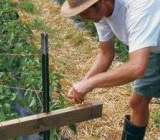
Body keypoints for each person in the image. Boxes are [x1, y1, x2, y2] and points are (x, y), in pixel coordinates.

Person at [60, 0, 160, 139]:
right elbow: (106, 54)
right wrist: (83, 83)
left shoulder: (140, 6)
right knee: (137, 103)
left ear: (102, 2)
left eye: (85, 12)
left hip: (150, 48)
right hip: (151, 49)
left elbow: (137, 67)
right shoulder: (101, 12)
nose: (83, 18)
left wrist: (91, 83)